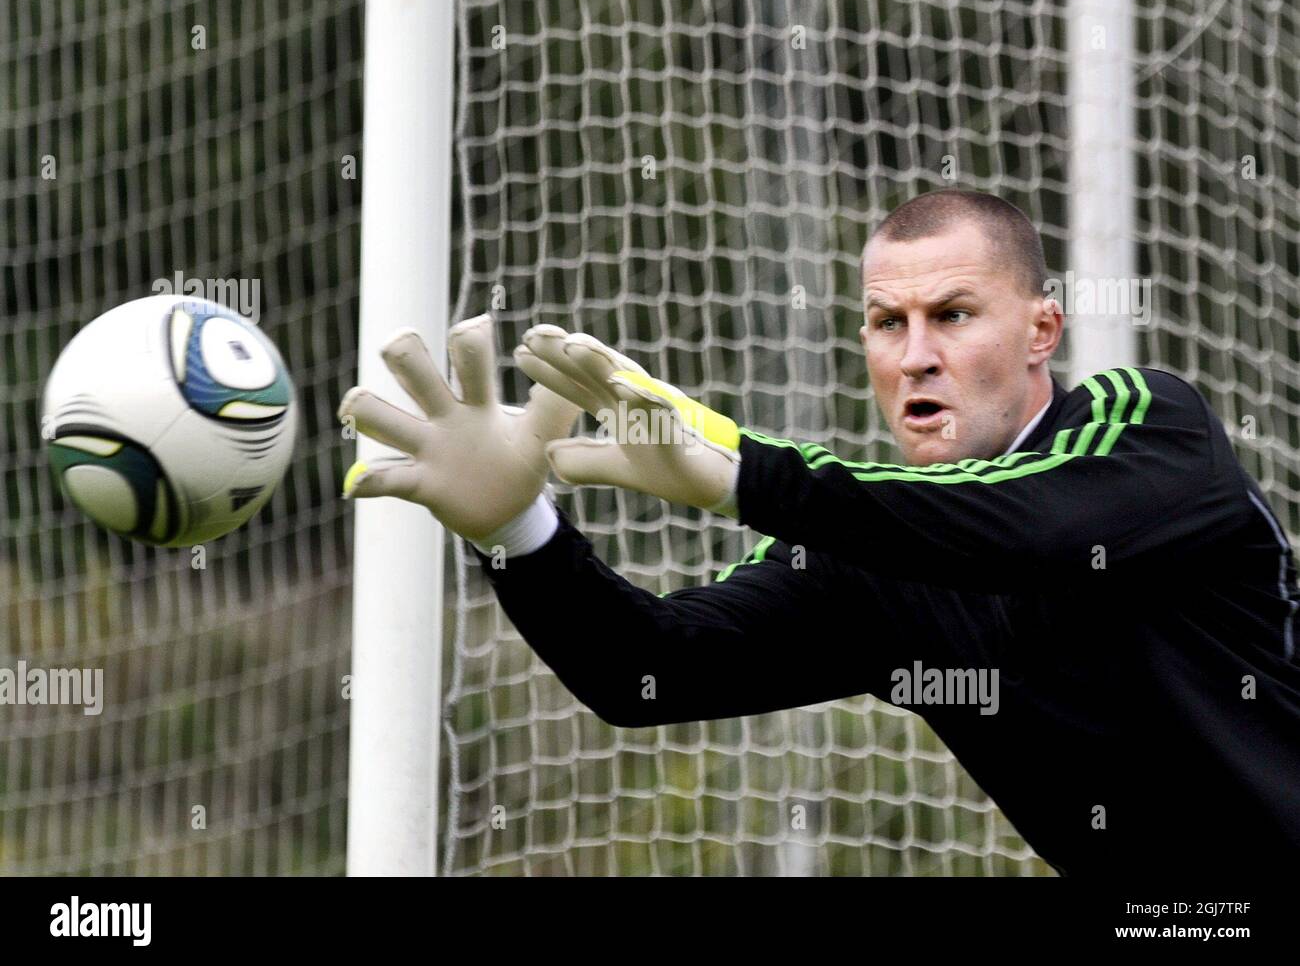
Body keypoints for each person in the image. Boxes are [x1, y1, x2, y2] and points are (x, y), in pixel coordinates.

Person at [339, 189, 1300, 875]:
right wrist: (518, 528)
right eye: (888, 323)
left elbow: (1023, 529)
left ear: (1043, 330)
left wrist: (742, 475)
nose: (916, 355)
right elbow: (647, 671)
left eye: (954, 315)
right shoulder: (866, 565)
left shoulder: (1149, 426)